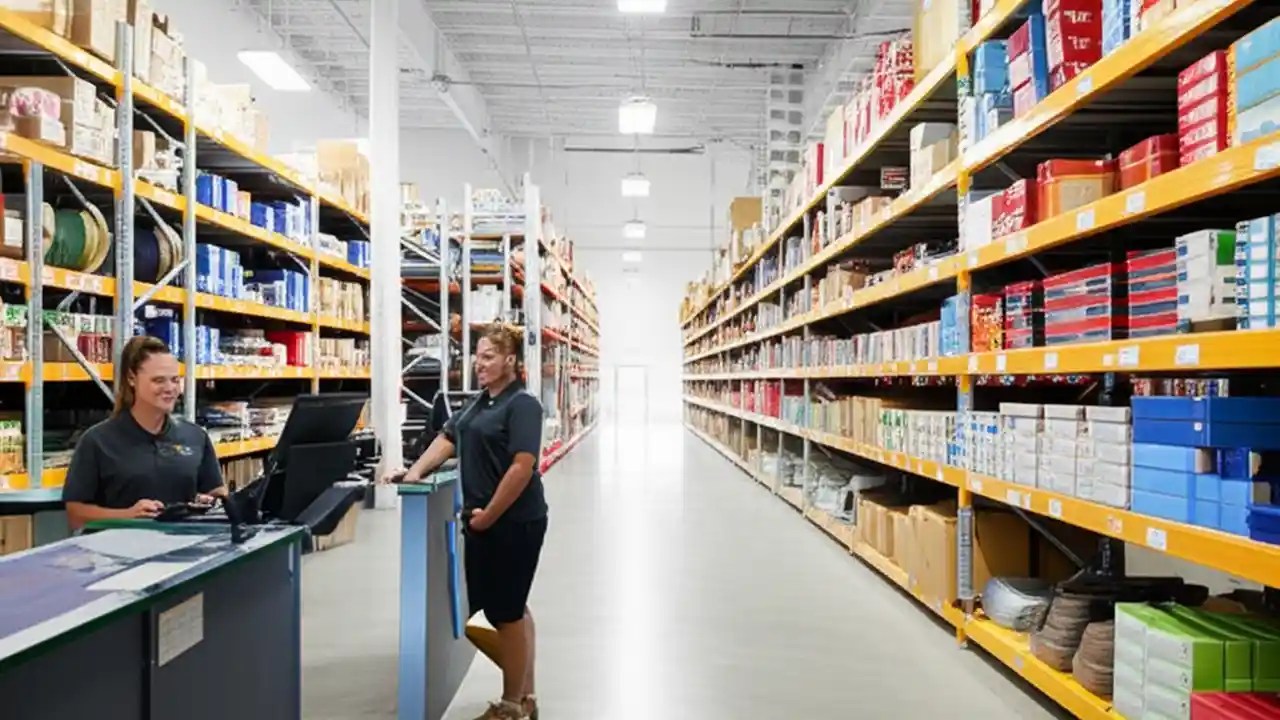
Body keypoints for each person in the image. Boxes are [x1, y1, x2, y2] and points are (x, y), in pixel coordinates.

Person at [386, 324, 548, 720]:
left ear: (511, 360)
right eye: (478, 355)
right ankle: (526, 698)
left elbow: (522, 468)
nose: (480, 362)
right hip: (486, 522)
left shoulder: (523, 405)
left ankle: (511, 706)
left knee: (503, 613)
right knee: (512, 609)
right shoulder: (480, 404)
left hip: (515, 521)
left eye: (489, 355)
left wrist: (489, 516)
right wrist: (413, 473)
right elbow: (448, 436)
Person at [62, 335, 227, 530]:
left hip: (182, 554)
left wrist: (213, 502)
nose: (170, 389)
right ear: (131, 378)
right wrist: (128, 515)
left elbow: (218, 493)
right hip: (117, 555)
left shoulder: (196, 436)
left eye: (175, 380)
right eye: (158, 380)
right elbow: (75, 514)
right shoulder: (97, 441)